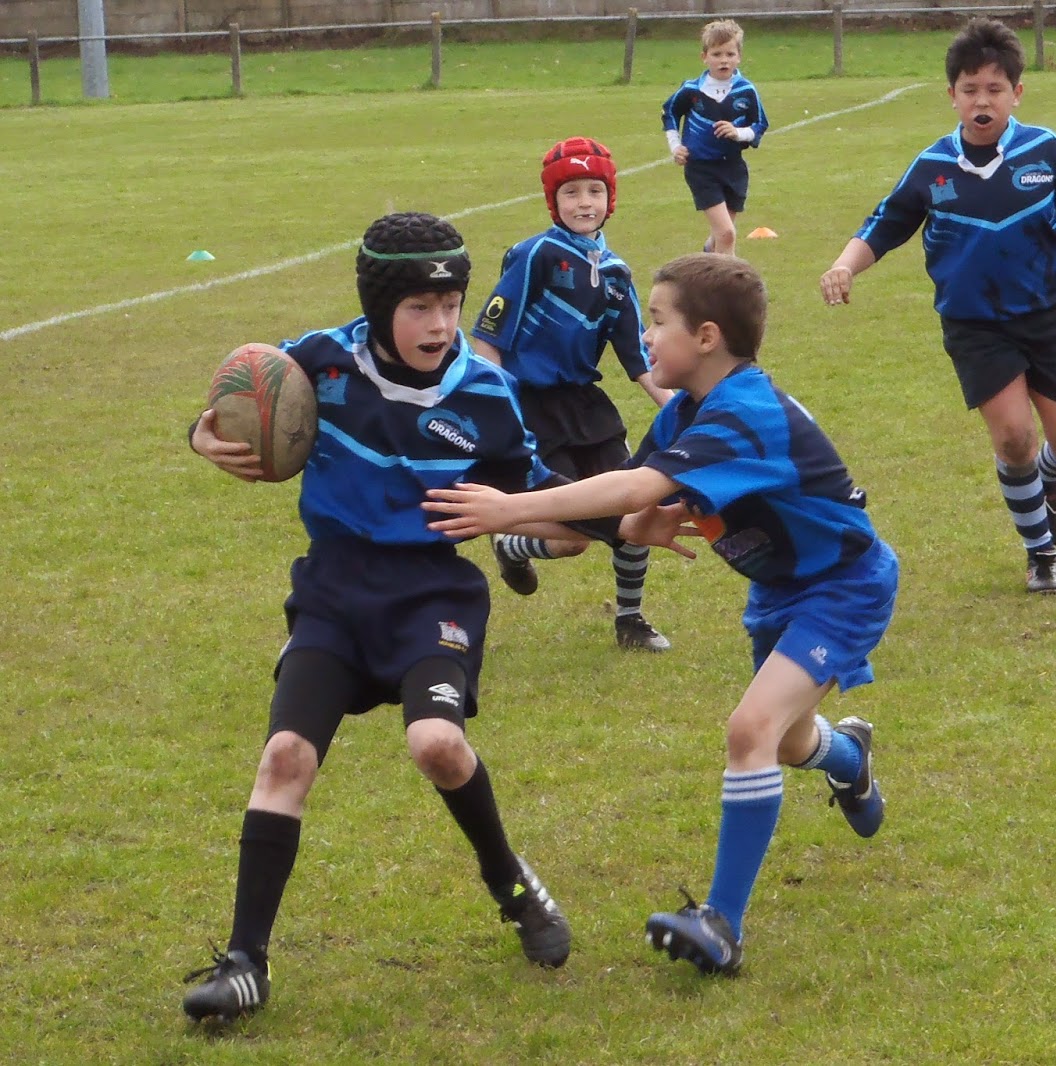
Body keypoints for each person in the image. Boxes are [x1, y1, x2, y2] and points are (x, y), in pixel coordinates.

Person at [179, 212, 629, 1022]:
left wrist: (622, 523)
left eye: (452, 303)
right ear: (379, 304)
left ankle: (513, 885)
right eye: (420, 307)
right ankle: (246, 961)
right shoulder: (316, 361)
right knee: (285, 755)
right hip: (334, 591)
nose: (441, 324)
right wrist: (200, 437)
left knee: (437, 746)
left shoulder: (486, 393)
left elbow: (538, 488)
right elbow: (231, 409)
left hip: (431, 595)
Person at [426, 254, 897, 977]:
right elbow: (627, 501)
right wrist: (630, 526)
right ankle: (850, 758)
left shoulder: (745, 409)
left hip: (845, 587)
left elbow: (634, 483)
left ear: (706, 336)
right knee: (788, 740)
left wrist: (506, 511)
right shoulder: (686, 409)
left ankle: (722, 926)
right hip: (780, 592)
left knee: (751, 730)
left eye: (656, 321)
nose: (645, 336)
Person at [819, 17, 1056, 596]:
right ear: (951, 95)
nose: (983, 101)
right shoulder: (933, 166)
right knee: (1013, 438)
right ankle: (1041, 552)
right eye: (970, 90)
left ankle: (1044, 484)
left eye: (995, 89)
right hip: (974, 324)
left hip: (1047, 315)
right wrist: (843, 265)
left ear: (1017, 93)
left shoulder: (1046, 150)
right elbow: (885, 224)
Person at [470, 136, 677, 652]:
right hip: (533, 408)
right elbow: (487, 340)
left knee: (637, 498)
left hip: (586, 406)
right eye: (570, 193)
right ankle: (513, 543)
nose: (584, 203)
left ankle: (630, 620)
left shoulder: (615, 272)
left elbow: (639, 358)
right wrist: (495, 408)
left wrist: (688, 408)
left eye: (594, 191)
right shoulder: (535, 255)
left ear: (611, 198)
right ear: (552, 202)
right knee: (571, 539)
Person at [661, 19, 769, 256]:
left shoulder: (746, 90)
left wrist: (738, 132)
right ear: (704, 57)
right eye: (717, 54)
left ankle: (706, 260)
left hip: (733, 168)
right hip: (701, 169)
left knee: (719, 237)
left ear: (739, 57)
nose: (724, 60)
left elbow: (760, 124)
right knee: (727, 234)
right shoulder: (692, 90)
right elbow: (668, 112)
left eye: (730, 54)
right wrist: (675, 146)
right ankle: (729, 288)